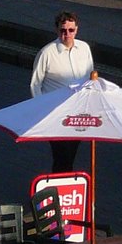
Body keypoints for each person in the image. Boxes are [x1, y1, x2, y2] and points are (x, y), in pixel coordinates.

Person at [30, 10, 94, 172]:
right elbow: (35, 84)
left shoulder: (84, 48)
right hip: (56, 113)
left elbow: (90, 77)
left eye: (71, 30)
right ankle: (58, 190)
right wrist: (42, 110)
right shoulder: (47, 53)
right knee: (62, 155)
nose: (67, 34)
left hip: (78, 113)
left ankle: (62, 189)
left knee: (70, 154)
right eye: (63, 30)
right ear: (57, 30)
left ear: (76, 29)